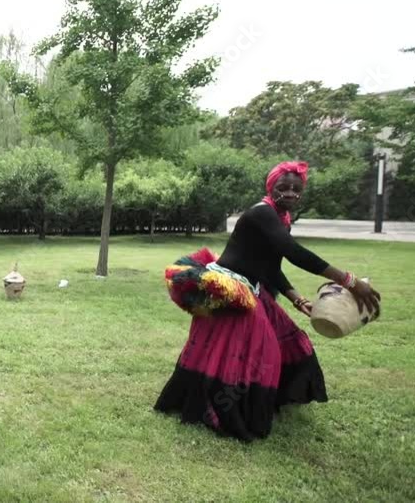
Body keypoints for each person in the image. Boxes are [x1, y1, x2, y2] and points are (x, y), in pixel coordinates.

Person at [155, 161, 381, 441]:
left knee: (290, 342)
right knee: (262, 354)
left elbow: (271, 265)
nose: (290, 192)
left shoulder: (280, 219)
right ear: (270, 188)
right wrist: (349, 281)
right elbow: (293, 252)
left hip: (253, 287)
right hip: (230, 291)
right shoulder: (261, 213)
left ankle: (266, 400)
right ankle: (222, 409)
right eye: (283, 187)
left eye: (296, 189)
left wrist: (296, 298)